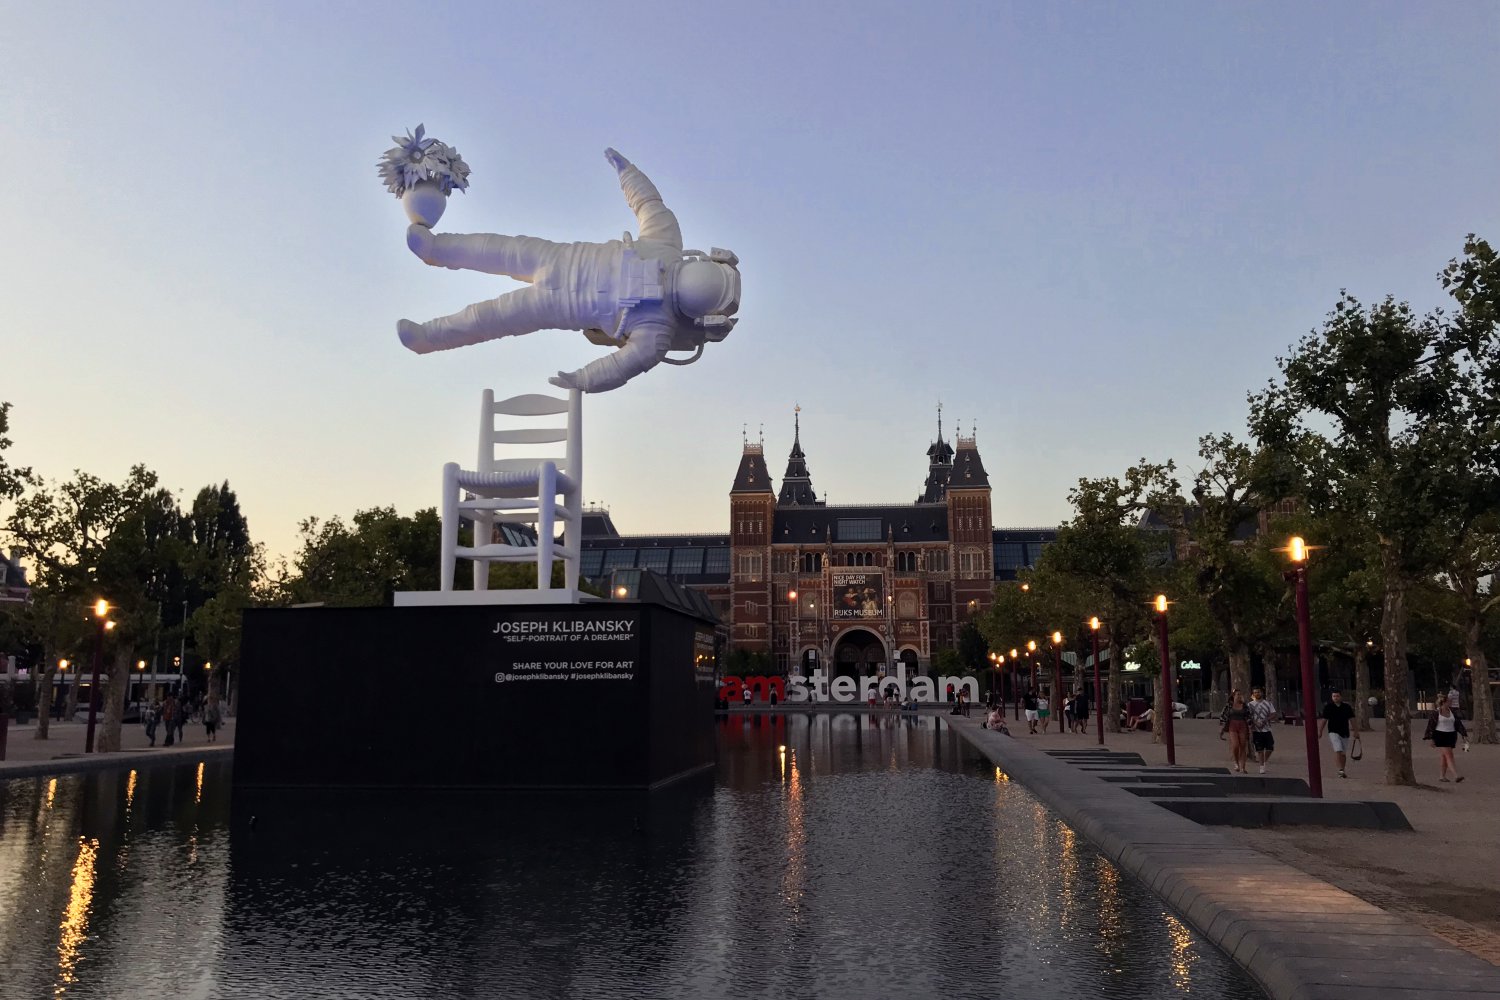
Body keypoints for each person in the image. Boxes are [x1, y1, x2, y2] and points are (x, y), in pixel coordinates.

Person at [399, 149, 742, 394]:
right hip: (559, 266)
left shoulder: (659, 316)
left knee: (490, 297)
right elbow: (649, 204)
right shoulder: (658, 328)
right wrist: (627, 171)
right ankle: (431, 253)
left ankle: (427, 336)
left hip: (557, 296)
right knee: (491, 285)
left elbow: (649, 205)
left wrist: (582, 380)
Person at [1422, 700, 1469, 783]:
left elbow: (1458, 724)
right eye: (1448, 702)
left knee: (1444, 757)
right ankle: (1456, 775)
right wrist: (1431, 739)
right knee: (1449, 755)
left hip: (1451, 735)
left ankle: (1442, 776)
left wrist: (1464, 735)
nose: (1450, 703)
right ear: (1443, 703)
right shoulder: (1436, 713)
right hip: (1440, 735)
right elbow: (1431, 725)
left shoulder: (1452, 712)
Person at [1317, 690, 1358, 778]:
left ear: (1341, 697)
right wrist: (1320, 731)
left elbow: (1352, 719)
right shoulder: (1328, 707)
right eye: (1334, 696)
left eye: (1337, 696)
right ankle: (1340, 769)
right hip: (1333, 731)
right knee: (1337, 749)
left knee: (1343, 753)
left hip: (1345, 732)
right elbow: (1324, 720)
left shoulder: (1347, 707)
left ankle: (1342, 769)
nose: (1335, 698)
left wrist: (1356, 731)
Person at [1248, 687, 1279, 774]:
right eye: (1255, 692)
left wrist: (1266, 719)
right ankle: (1262, 766)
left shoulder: (1268, 703)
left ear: (1261, 693)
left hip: (1267, 729)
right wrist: (1254, 722)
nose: (1257, 694)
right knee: (1259, 749)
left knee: (1270, 748)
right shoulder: (1250, 705)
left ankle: (1264, 761)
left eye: (1258, 692)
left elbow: (1273, 714)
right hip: (1256, 730)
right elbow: (1248, 716)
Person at [1222, 692, 1251, 773]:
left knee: (1243, 745)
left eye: (1240, 694)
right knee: (1235, 745)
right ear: (1234, 696)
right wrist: (1222, 728)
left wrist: (1250, 727)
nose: (1239, 696)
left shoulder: (1245, 706)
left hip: (1242, 725)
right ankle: (1236, 762)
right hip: (1232, 725)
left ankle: (1243, 767)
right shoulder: (1229, 706)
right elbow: (1223, 716)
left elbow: (1249, 716)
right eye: (1237, 694)